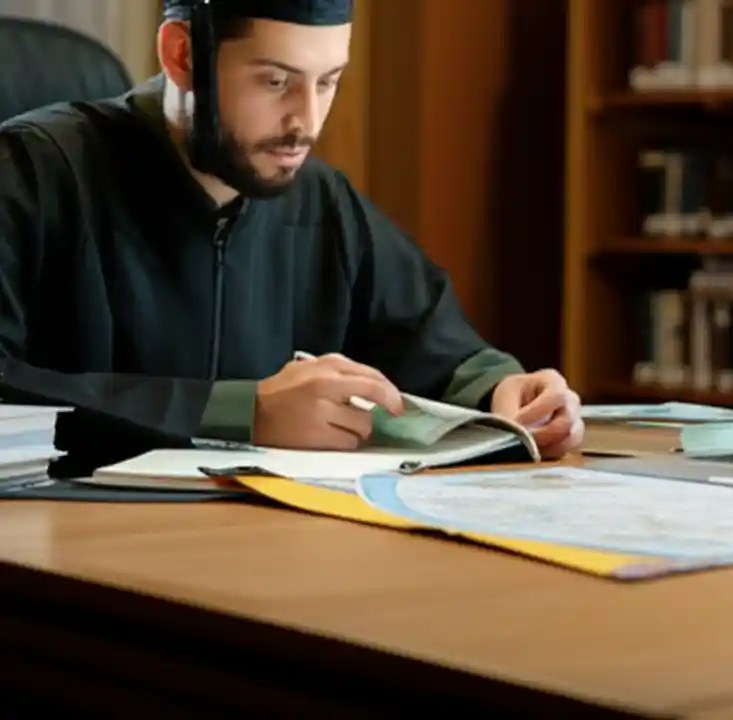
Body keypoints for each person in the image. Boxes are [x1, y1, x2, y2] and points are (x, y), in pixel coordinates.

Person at [0, 0, 583, 478]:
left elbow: (428, 342)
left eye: (327, 82)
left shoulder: (321, 200)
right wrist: (241, 413)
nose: (306, 121)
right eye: (276, 81)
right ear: (183, 55)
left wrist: (507, 392)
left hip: (265, 555)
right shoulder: (30, 173)